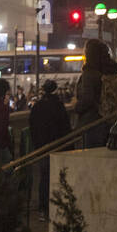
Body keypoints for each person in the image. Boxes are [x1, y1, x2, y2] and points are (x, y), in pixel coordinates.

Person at [29, 81, 72, 217]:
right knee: (58, 177)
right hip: (58, 146)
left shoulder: (38, 106)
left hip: (42, 147)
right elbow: (66, 127)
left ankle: (43, 208)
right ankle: (57, 206)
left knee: (44, 177)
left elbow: (32, 127)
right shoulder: (58, 106)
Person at [74, 39, 117, 148]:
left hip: (91, 122)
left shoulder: (89, 74)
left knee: (89, 157)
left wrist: (76, 106)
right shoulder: (108, 71)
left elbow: (87, 99)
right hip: (108, 121)